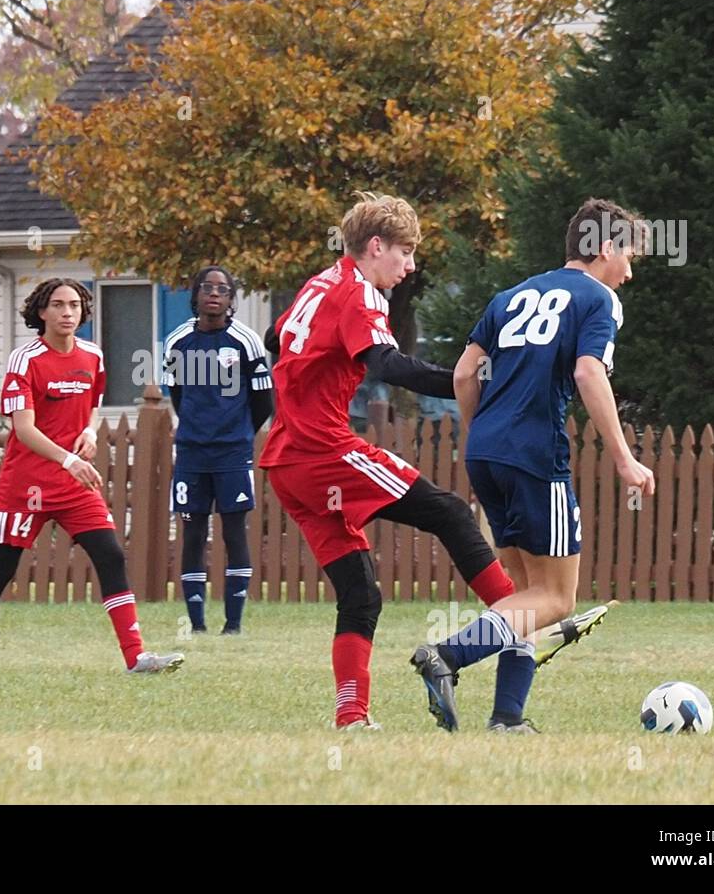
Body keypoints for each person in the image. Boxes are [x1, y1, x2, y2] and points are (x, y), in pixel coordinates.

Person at [261, 192, 519, 730]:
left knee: (361, 594)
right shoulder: (358, 294)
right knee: (448, 511)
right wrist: (467, 378)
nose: (411, 265)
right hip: (323, 452)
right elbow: (390, 366)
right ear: (375, 246)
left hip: (286, 464)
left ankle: (351, 716)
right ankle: (520, 618)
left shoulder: (320, 283)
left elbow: (275, 337)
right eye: (405, 251)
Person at [412, 198, 652, 733]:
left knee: (523, 595)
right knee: (557, 597)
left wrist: (483, 437)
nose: (630, 272)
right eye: (629, 256)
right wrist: (624, 458)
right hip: (535, 455)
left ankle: (507, 717)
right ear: (605, 247)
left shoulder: (511, 294)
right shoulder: (599, 298)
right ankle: (447, 657)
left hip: (487, 451)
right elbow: (590, 374)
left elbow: (463, 375)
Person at [0, 278, 183, 675]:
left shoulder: (93, 356)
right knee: (2, 568)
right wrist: (68, 459)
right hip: (27, 481)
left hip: (73, 482)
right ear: (41, 312)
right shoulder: (25, 359)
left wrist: (86, 431)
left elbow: (92, 405)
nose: (68, 312)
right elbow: (24, 429)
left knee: (111, 555)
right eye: (59, 305)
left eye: (75, 305)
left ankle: (137, 658)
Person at [162, 265, 272, 634]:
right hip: (192, 452)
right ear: (195, 295)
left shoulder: (246, 341)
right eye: (207, 288)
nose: (214, 294)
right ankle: (196, 624)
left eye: (222, 289)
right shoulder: (177, 341)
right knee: (192, 531)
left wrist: (238, 433)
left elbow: (263, 401)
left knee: (233, 530)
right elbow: (177, 395)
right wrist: (197, 428)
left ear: (230, 300)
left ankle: (234, 624)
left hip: (232, 453)